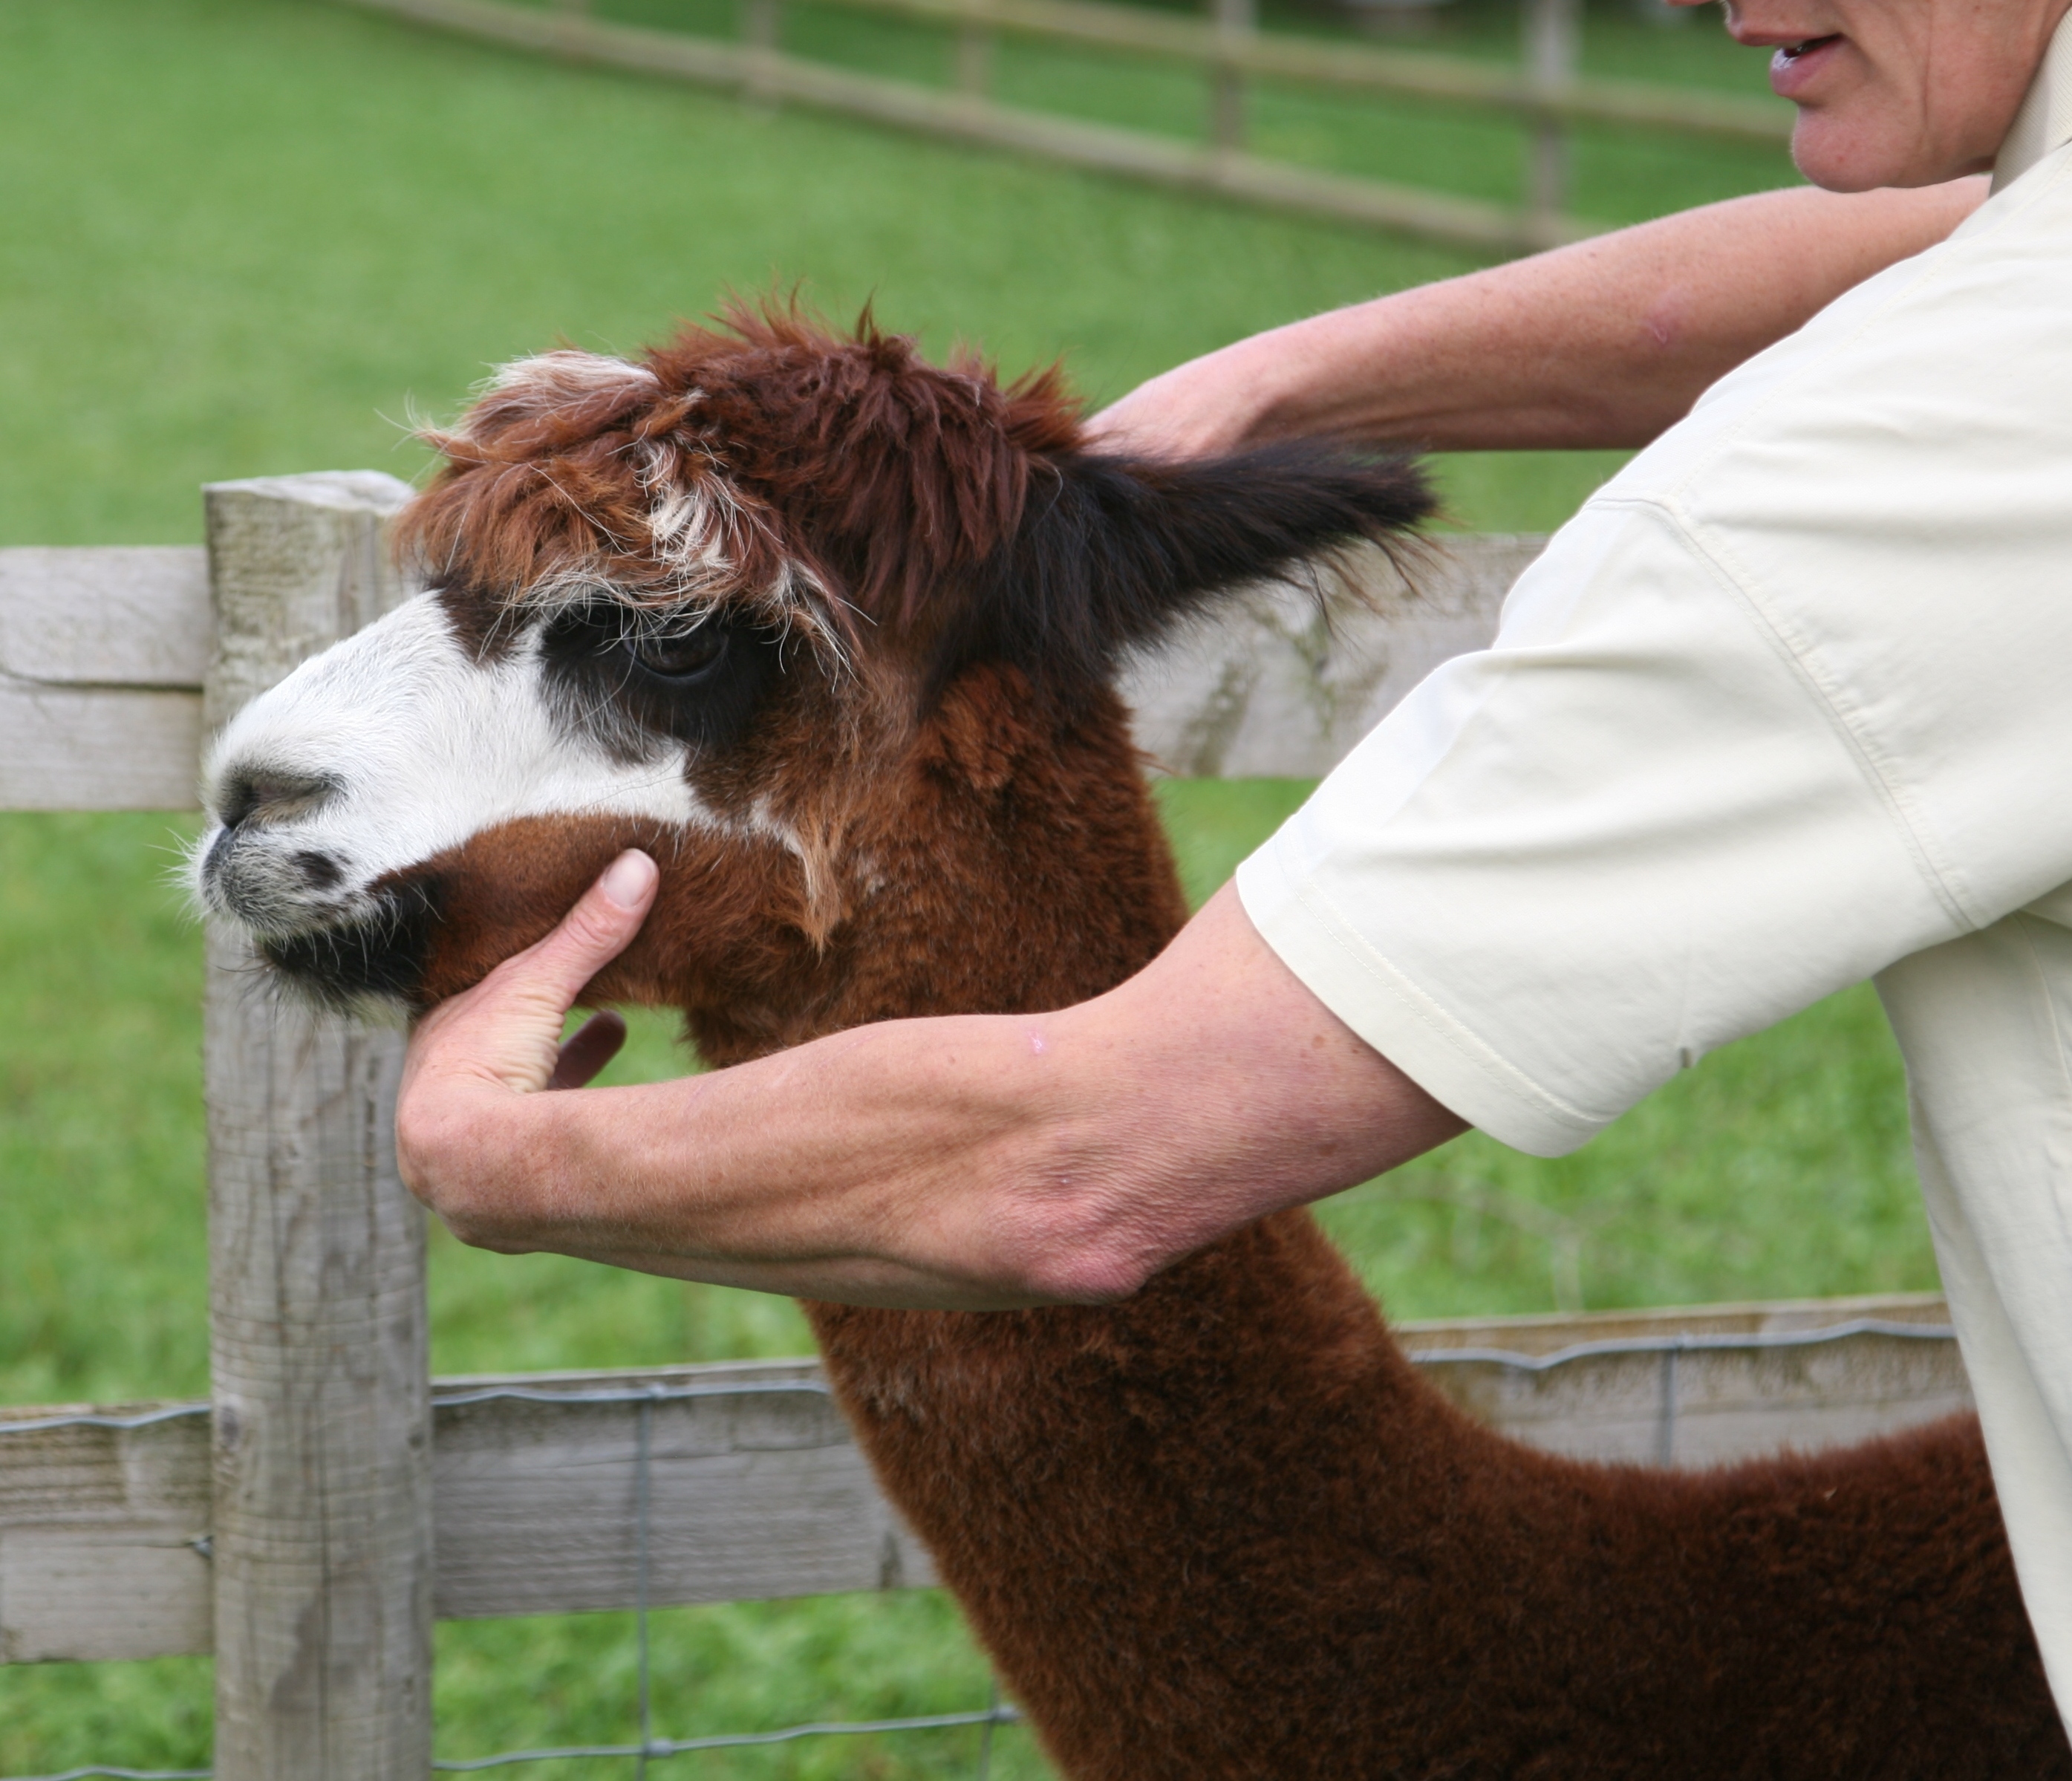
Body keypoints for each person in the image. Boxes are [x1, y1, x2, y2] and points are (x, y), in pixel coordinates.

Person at [397, 0, 2072, 1715]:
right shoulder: (2011, 278)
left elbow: (1087, 1161)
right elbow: (1952, 242)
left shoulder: (1913, 467)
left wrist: (507, 1158)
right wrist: (1277, 380)